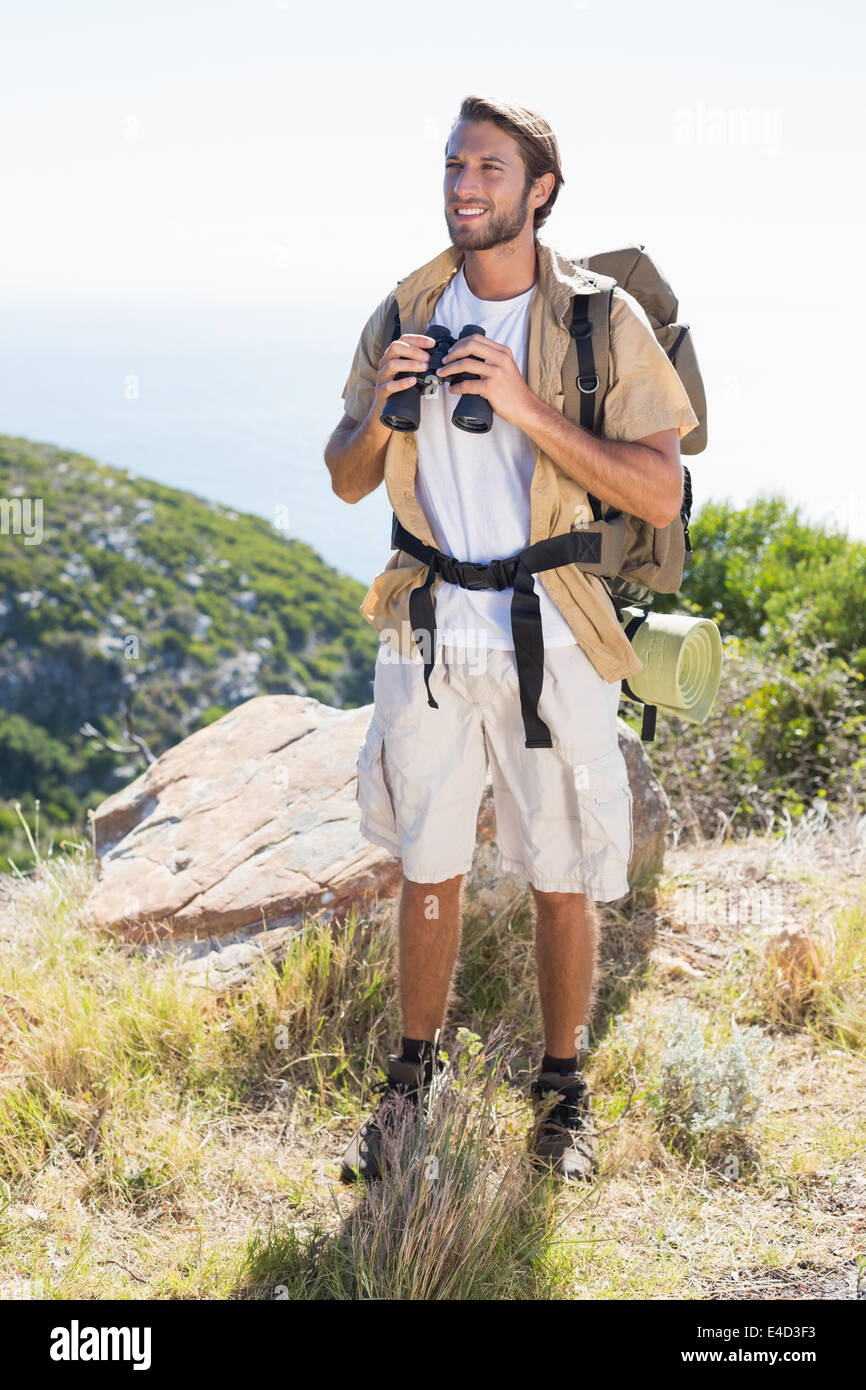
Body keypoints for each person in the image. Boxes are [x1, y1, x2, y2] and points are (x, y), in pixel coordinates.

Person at [324, 94, 698, 1184]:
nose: (462, 187)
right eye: (451, 165)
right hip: (427, 628)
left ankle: (561, 1094)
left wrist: (525, 408)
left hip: (555, 629)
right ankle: (408, 1085)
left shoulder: (598, 319)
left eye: (487, 168)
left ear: (538, 190)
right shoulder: (406, 306)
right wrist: (379, 404)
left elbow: (660, 493)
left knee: (561, 867)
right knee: (425, 865)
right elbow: (346, 475)